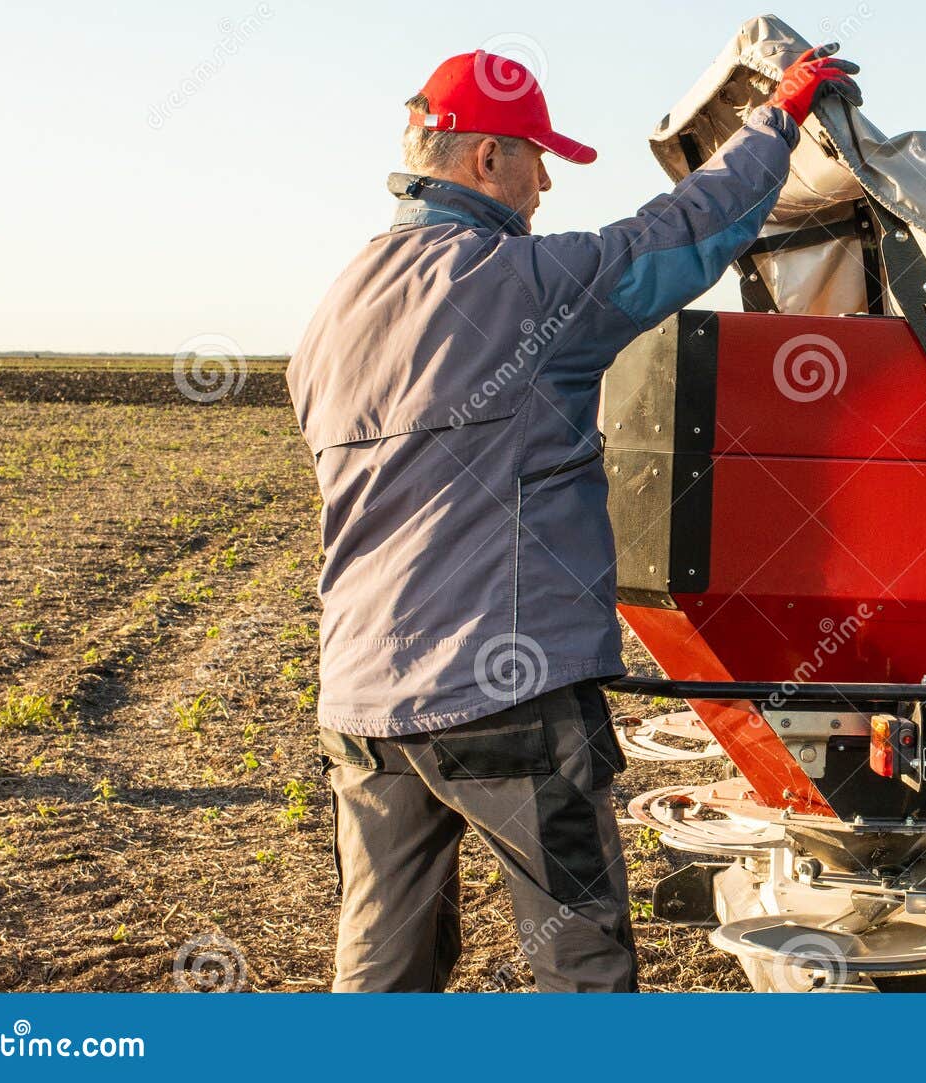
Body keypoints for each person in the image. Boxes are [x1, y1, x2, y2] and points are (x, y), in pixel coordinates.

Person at [287, 42, 860, 992]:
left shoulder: (335, 308)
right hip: (502, 693)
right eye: (538, 158)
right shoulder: (518, 289)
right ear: (485, 159)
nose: (547, 183)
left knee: (383, 964)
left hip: (360, 695)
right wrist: (778, 121)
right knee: (578, 961)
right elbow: (679, 236)